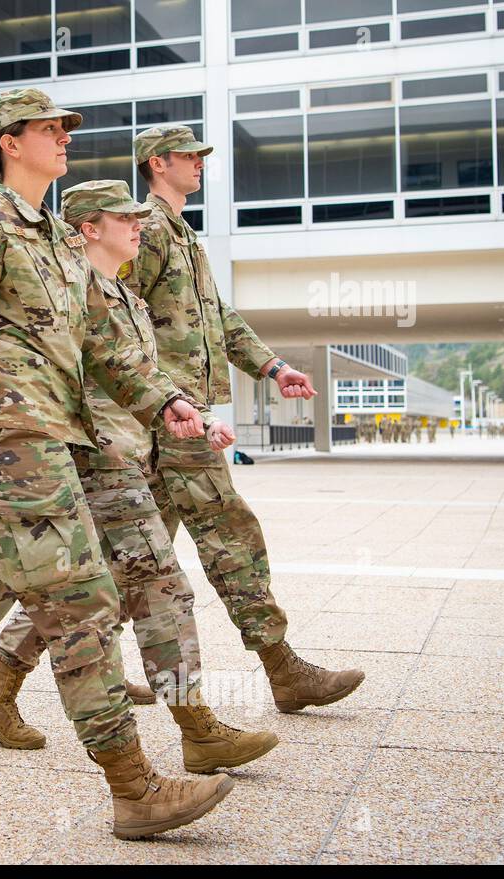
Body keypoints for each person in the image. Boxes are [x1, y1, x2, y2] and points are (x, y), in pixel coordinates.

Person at [0, 88, 235, 841]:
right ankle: (133, 786)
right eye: (48, 128)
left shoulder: (57, 240)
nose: (64, 137)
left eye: (64, 128)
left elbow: (103, 344)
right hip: (3, 439)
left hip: (46, 438)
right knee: (84, 600)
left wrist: (166, 403)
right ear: (7, 143)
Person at [0, 180, 278, 775]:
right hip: (92, 458)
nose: (139, 226)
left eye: (139, 217)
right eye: (124, 218)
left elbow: (137, 373)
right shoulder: (65, 293)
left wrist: (188, 415)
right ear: (88, 228)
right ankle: (195, 727)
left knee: (84, 589)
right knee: (160, 584)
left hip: (125, 454)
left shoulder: (121, 295)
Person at [130, 125, 365, 713]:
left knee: (123, 556)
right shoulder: (150, 231)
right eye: (189, 157)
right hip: (169, 417)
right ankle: (284, 670)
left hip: (174, 416)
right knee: (231, 534)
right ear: (158, 164)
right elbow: (112, 318)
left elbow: (220, 318)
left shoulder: (182, 236)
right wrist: (151, 401)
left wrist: (274, 366)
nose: (199, 165)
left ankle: (4, 682)